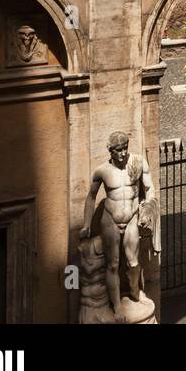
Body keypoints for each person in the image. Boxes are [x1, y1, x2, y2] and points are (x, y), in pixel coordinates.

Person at [80, 132, 155, 318]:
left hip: (131, 219)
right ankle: (117, 306)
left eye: (125, 149)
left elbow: (149, 188)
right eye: (118, 150)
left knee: (134, 262)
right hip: (110, 220)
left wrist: (147, 206)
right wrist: (86, 225)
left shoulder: (137, 163)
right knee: (112, 264)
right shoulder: (102, 171)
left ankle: (135, 292)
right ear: (110, 151)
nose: (122, 154)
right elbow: (91, 197)